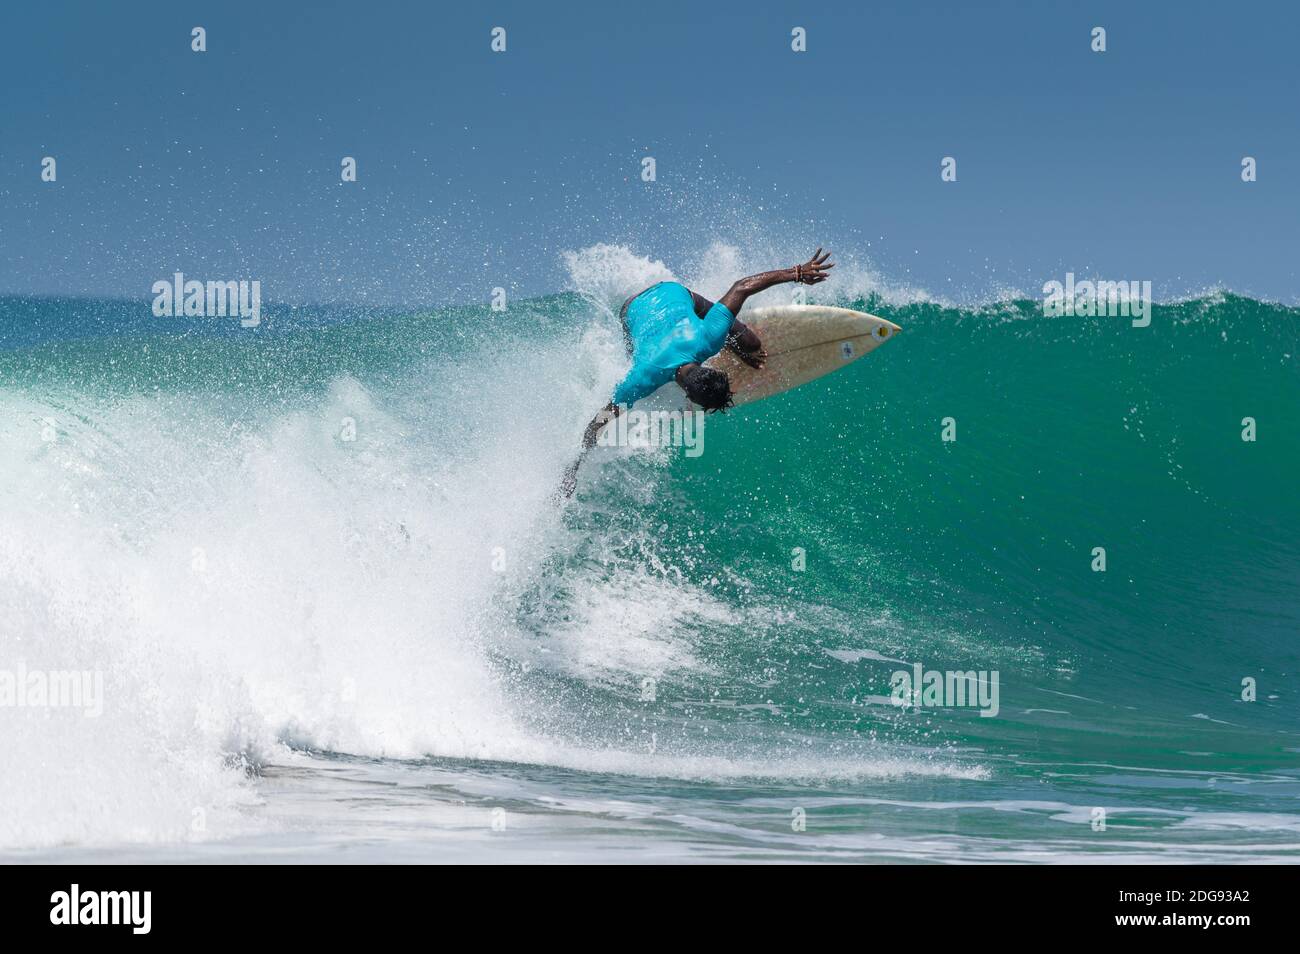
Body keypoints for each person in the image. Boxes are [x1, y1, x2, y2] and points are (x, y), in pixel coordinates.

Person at [559, 249, 834, 498]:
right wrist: (574, 466)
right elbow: (599, 421)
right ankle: (721, 332)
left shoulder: (707, 340)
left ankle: (730, 337)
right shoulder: (641, 378)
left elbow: (741, 287)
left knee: (750, 345)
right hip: (632, 309)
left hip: (673, 294)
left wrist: (797, 272)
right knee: (637, 353)